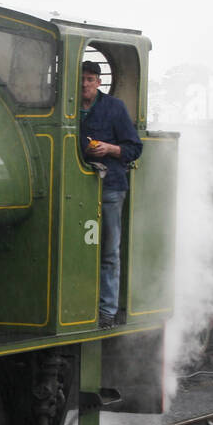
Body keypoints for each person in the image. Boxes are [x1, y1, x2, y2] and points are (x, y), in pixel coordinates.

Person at [79, 61, 142, 328]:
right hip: (75, 188)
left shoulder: (114, 108)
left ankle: (107, 311)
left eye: (90, 79)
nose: (85, 84)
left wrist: (108, 149)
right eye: (81, 79)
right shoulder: (67, 108)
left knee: (109, 251)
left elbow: (133, 148)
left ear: (99, 82)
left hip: (110, 188)